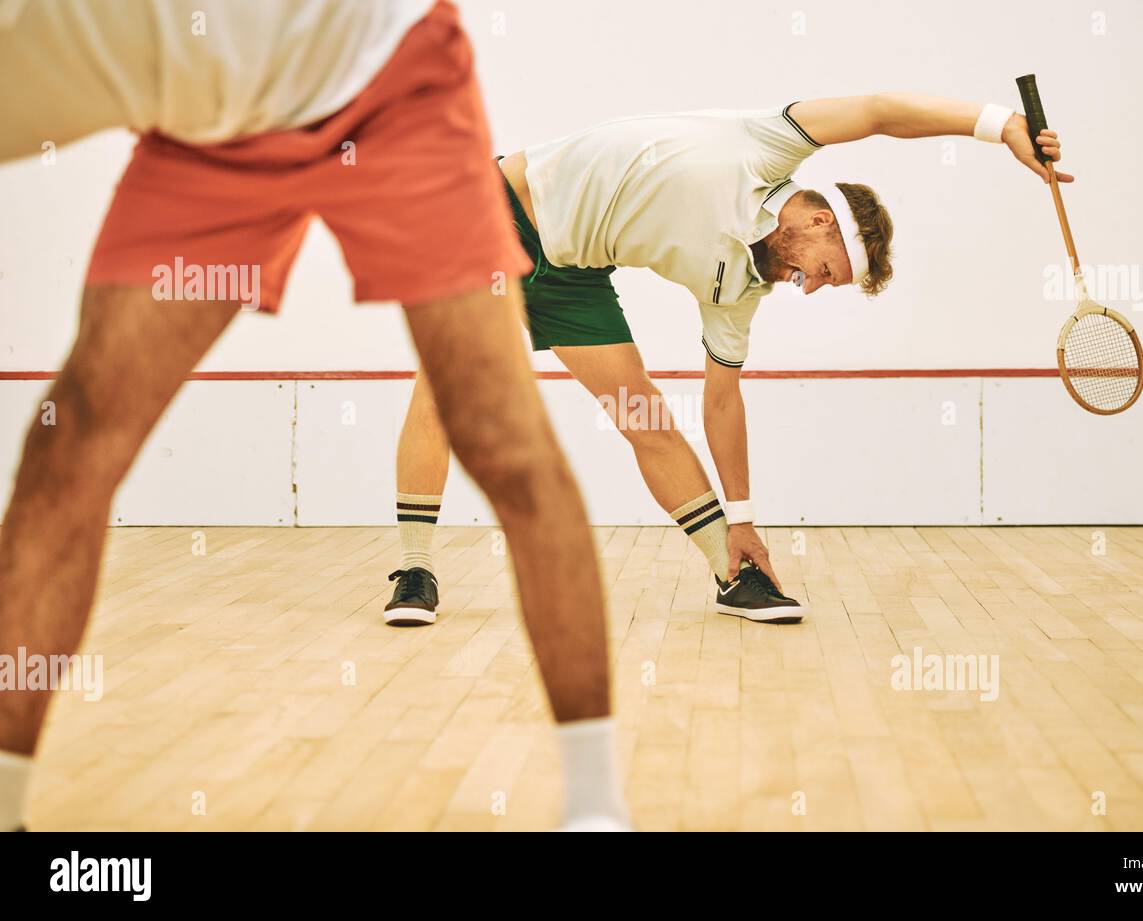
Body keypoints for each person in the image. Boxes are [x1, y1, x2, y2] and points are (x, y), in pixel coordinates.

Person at [0, 0, 627, 832]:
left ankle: (596, 809)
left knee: (499, 432)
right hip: (205, 128)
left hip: (390, 76)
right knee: (75, 431)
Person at [383, 95, 1068, 626]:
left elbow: (720, 400)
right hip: (493, 210)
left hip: (573, 274)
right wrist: (996, 122)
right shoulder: (764, 146)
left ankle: (733, 572)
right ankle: (415, 572)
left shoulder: (743, 291)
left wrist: (743, 516)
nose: (809, 286)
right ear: (822, 221)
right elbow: (878, 111)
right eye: (824, 272)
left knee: (643, 414)